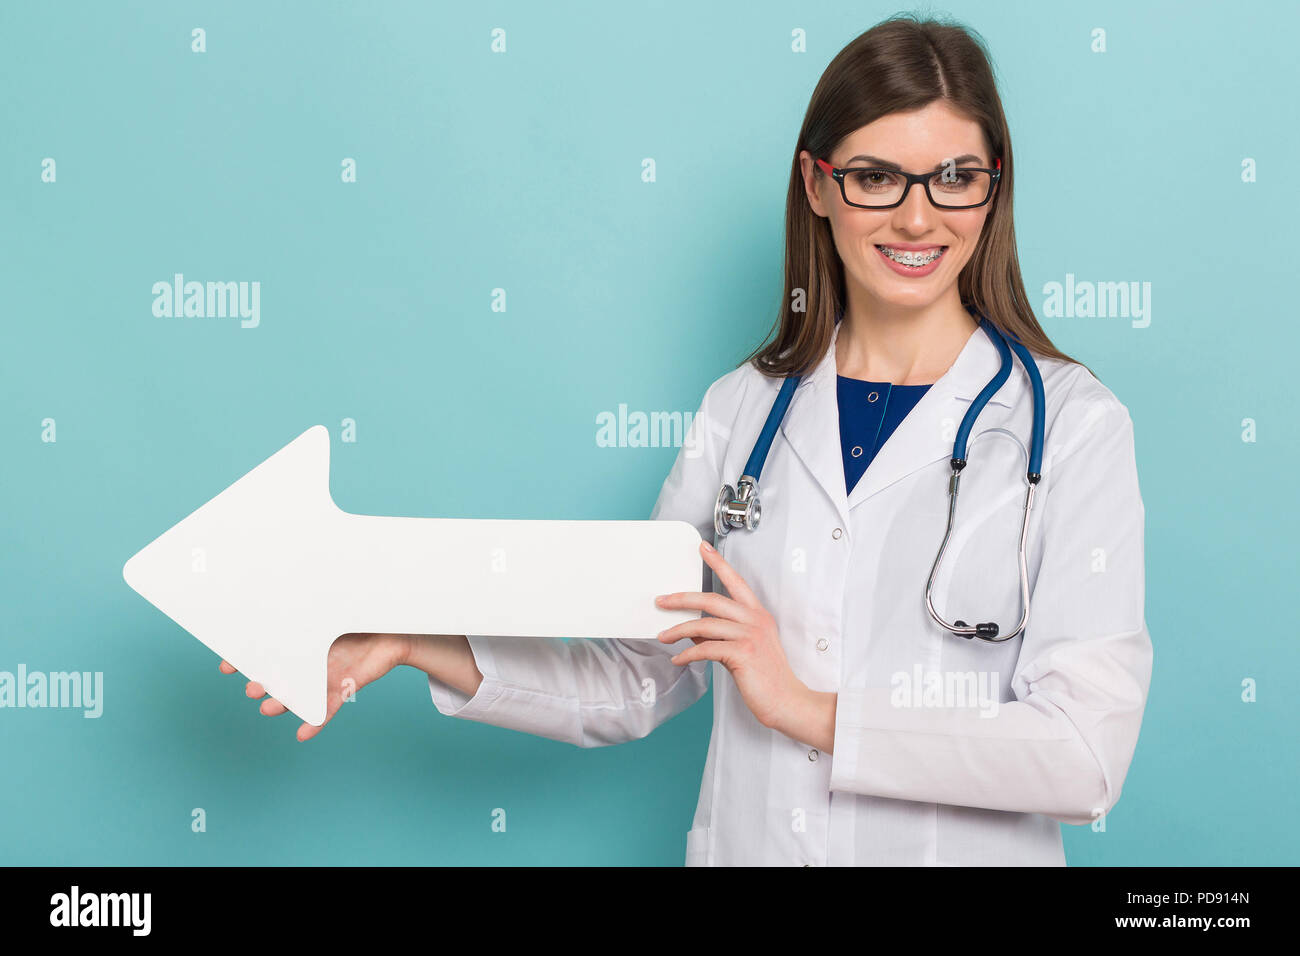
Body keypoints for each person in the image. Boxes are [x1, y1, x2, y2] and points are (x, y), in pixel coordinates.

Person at [220, 14, 1152, 866]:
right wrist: (418, 638)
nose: (918, 216)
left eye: (956, 177)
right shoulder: (742, 411)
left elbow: (1081, 755)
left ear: (994, 190)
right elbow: (635, 681)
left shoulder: (1070, 430)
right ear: (817, 187)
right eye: (876, 177)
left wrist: (810, 712)